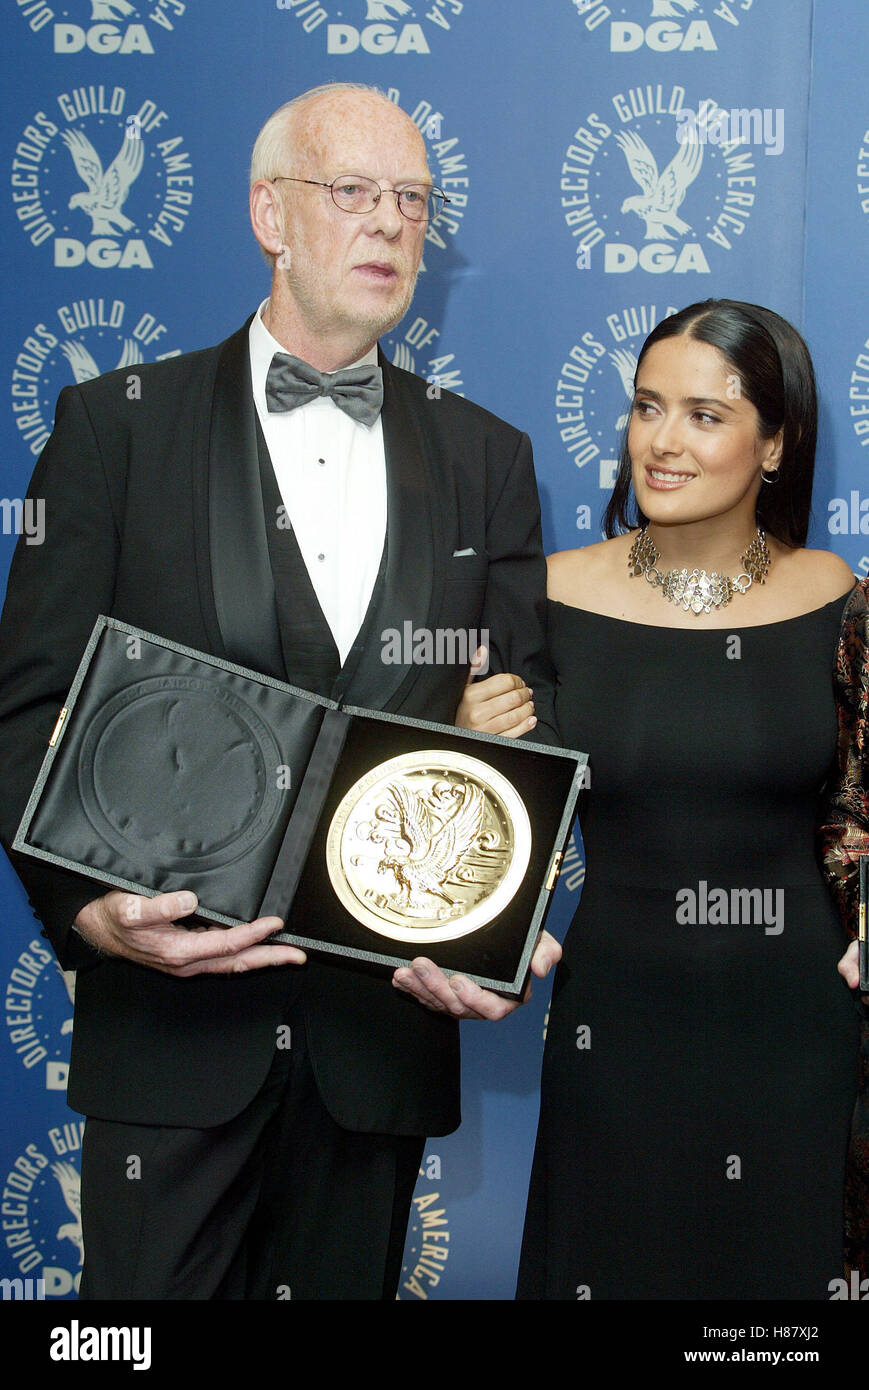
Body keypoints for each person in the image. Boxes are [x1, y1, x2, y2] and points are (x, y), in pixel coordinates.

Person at [0, 81, 560, 1300]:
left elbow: (522, 724)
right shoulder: (114, 430)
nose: (389, 225)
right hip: (169, 1031)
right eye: (351, 191)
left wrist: (492, 920)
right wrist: (89, 912)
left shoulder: (486, 458)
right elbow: (30, 708)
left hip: (376, 1044)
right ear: (268, 211)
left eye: (413, 200)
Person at [451, 299, 862, 1298]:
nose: (661, 441)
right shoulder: (539, 597)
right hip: (616, 1029)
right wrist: (460, 750)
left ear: (774, 443)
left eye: (704, 415)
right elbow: (475, 830)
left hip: (797, 1030)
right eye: (645, 407)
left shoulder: (838, 597)